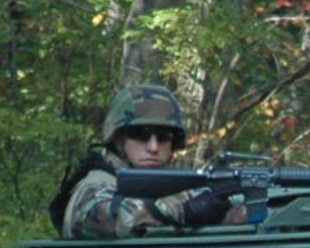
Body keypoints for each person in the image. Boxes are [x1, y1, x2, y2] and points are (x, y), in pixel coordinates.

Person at [48, 84, 242, 238]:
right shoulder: (94, 184)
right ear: (118, 138)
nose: (153, 147)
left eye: (163, 136)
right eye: (141, 135)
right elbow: (106, 218)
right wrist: (183, 211)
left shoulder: (174, 188)